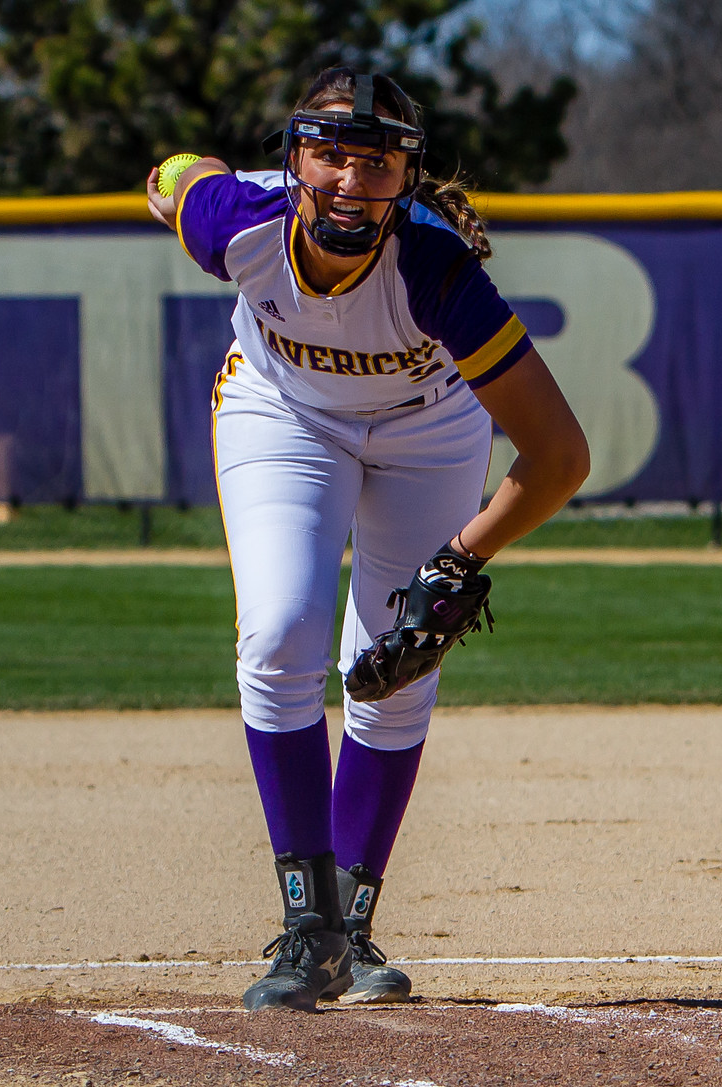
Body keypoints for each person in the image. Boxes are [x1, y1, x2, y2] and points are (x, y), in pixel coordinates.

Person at [146, 67, 589, 1012]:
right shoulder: (240, 224)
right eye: (331, 156)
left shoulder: (434, 269)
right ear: (294, 160)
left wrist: (462, 560)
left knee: (396, 663)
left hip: (428, 426)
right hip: (285, 412)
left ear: (408, 177)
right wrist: (178, 176)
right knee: (278, 633)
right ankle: (308, 927)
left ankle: (351, 925)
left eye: (379, 163)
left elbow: (559, 456)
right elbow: (182, 178)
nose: (352, 181)